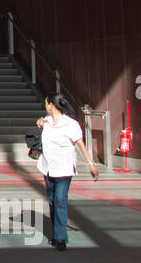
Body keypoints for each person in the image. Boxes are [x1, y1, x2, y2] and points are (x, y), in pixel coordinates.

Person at [35, 94, 97, 251]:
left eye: (46, 104)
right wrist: (40, 122)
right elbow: (41, 124)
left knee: (60, 200)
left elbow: (81, 144)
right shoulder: (47, 121)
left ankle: (60, 237)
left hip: (63, 169)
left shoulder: (71, 125)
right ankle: (57, 232)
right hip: (47, 167)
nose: (45, 106)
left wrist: (91, 164)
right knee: (52, 200)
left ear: (52, 106)